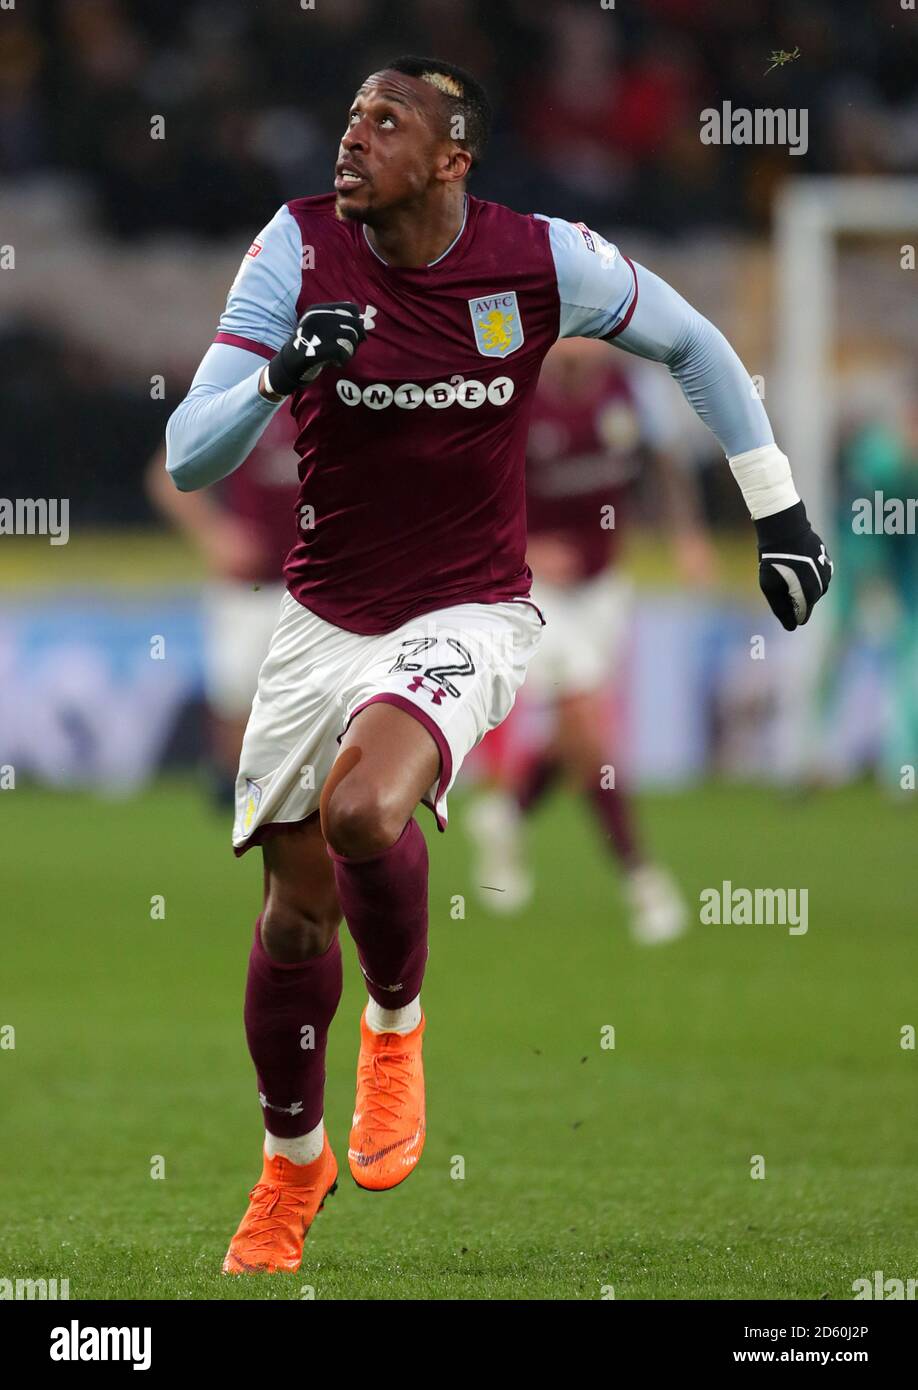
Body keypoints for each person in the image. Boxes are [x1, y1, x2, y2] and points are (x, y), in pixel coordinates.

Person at [164, 56, 832, 1274]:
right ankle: (290, 1162)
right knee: (297, 916)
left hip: (473, 608)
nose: (351, 138)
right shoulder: (295, 248)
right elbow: (190, 450)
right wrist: (278, 374)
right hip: (320, 623)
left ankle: (399, 1027)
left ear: (452, 156)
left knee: (369, 810)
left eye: (386, 121)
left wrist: (776, 508)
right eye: (348, 115)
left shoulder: (539, 261)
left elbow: (695, 343)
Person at [466, 336, 714, 941]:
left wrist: (686, 536)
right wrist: (526, 547)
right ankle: (642, 880)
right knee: (588, 727)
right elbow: (471, 493)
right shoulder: (513, 396)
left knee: (577, 738)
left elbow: (665, 462)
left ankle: (507, 813)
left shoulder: (631, 390)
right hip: (537, 592)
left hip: (604, 588)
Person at [145, 406, 300, 799]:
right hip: (249, 588)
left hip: (320, 587)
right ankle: (239, 799)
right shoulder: (248, 397)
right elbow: (165, 473)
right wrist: (215, 534)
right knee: (236, 707)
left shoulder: (339, 393)